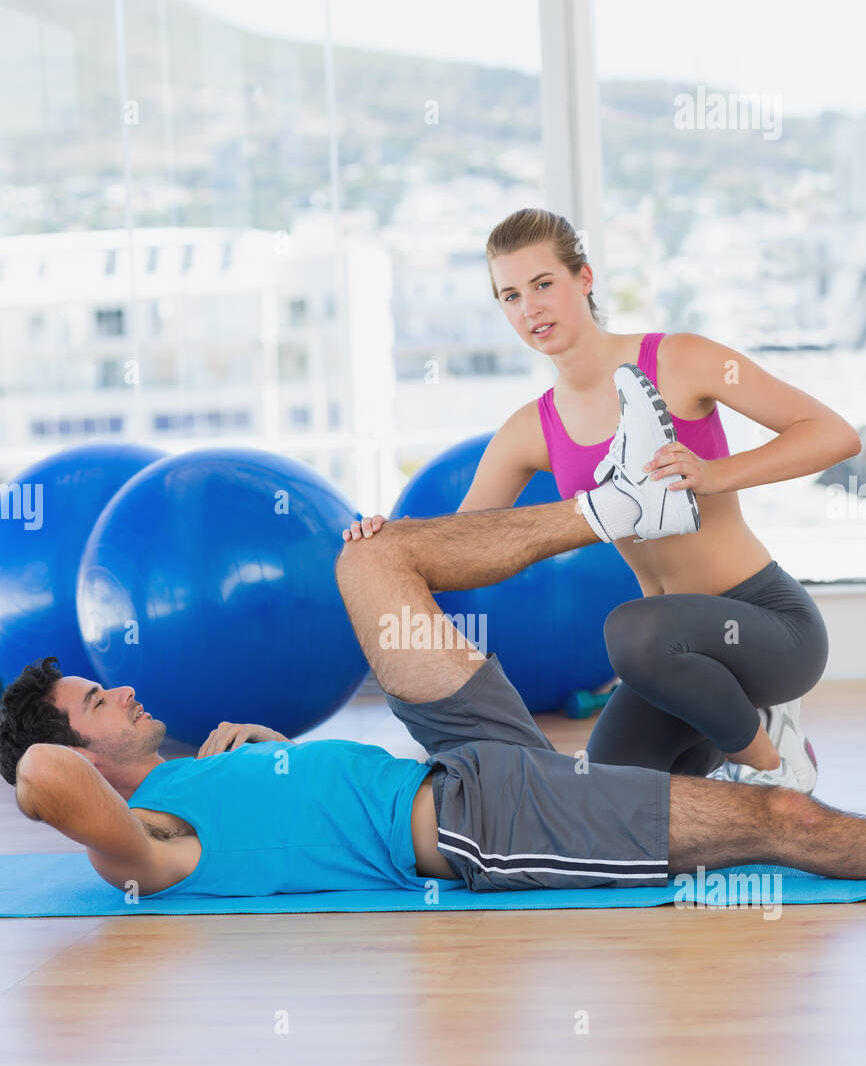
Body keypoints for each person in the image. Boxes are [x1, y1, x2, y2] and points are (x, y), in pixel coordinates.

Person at [3, 457, 865, 900]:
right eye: (93, 701)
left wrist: (259, 761)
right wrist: (99, 787)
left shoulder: (187, 775)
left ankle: (611, 507)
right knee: (778, 816)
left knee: (371, 555)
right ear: (75, 747)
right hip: (486, 818)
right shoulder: (143, 847)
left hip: (457, 752)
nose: (117, 689)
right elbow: (42, 778)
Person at [343, 208, 860, 792]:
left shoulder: (678, 360)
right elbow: (463, 546)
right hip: (674, 665)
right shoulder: (529, 430)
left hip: (768, 626)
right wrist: (393, 541)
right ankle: (732, 731)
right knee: (601, 799)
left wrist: (715, 474)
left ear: (583, 279)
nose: (530, 308)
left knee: (629, 631)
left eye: (543, 285)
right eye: (510, 296)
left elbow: (833, 433)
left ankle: (775, 759)